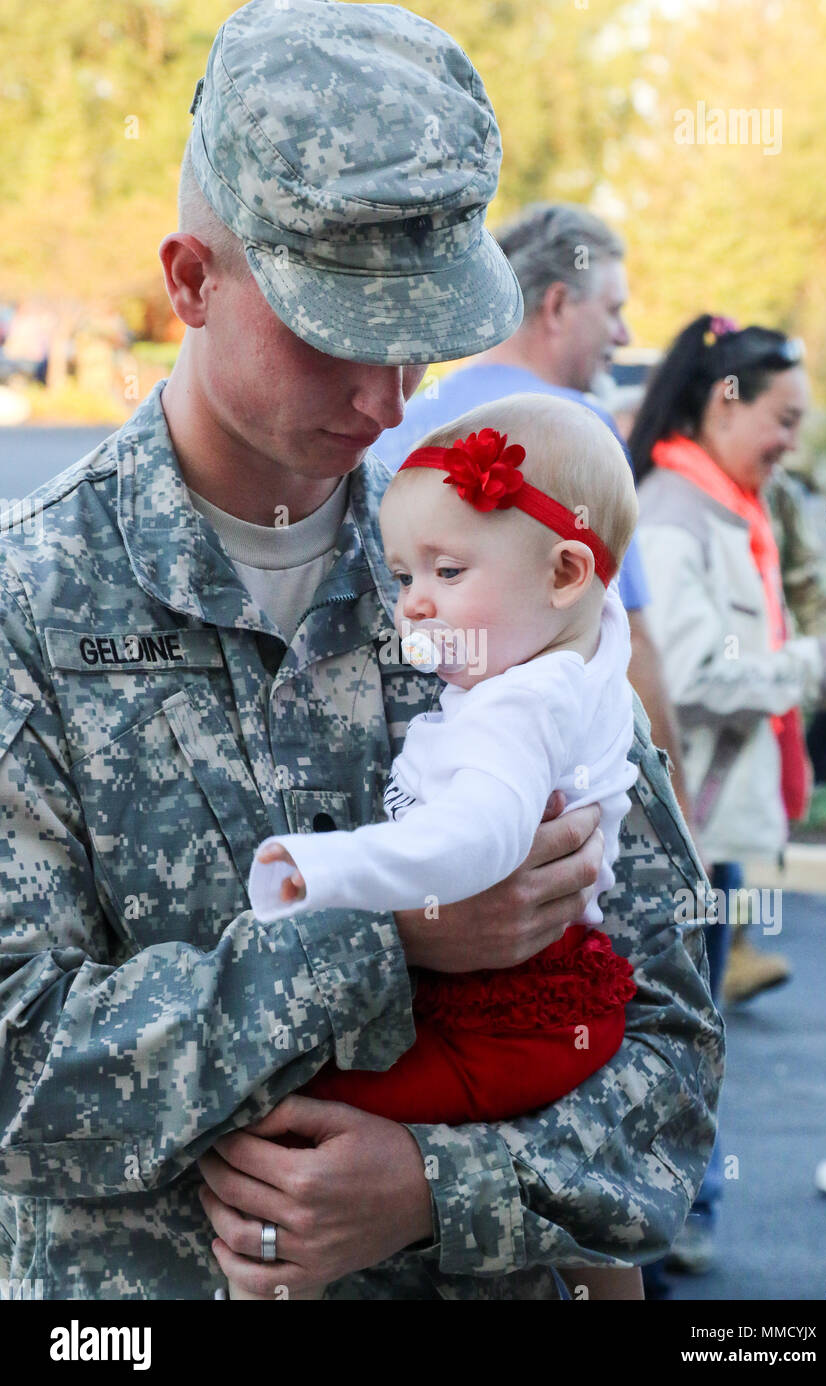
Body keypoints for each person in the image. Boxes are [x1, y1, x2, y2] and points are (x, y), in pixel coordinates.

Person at [0, 0, 722, 1300]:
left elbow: (671, 1060)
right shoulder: (30, 601)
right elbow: (19, 1068)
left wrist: (433, 1192)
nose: (391, 396)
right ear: (189, 283)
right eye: (335, 329)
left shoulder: (500, 565)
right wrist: (386, 940)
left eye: (420, 335)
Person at [241, 395, 640, 1300]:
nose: (412, 601)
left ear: (567, 570)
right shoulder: (573, 652)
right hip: (545, 1008)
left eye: (447, 571)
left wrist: (330, 871)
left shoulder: (515, 704)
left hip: (505, 1014)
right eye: (400, 572)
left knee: (290, 1124)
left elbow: (479, 840)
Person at [630, 311, 826, 1272]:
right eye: (782, 419)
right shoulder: (677, 514)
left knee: (696, 1027)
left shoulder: (733, 507)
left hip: (714, 818)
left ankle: (683, 1210)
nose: (791, 443)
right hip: (691, 818)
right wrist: (817, 667)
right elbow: (687, 677)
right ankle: (665, 1219)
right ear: (723, 405)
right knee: (678, 1031)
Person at [373, 202, 696, 829]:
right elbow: (629, 635)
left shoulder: (404, 422)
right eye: (614, 310)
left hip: (415, 775)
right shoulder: (579, 431)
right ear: (556, 306)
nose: (624, 335)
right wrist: (681, 823)